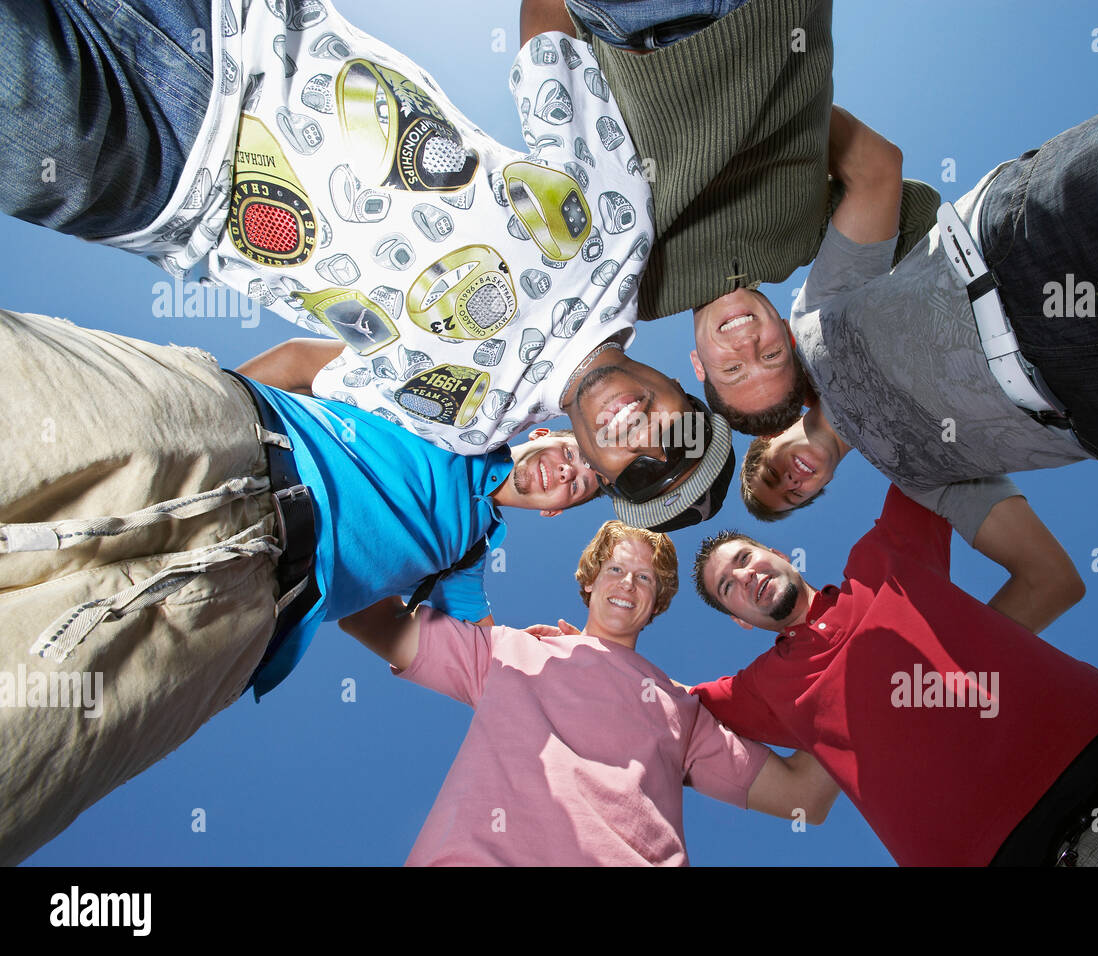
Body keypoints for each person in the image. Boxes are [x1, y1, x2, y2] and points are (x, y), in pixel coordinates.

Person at [0, 0, 734, 530]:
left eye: (638, 467)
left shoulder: (470, 423)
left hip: (153, 179)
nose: (641, 433)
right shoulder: (618, 239)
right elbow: (552, 33)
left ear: (602, 476)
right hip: (243, 25)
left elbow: (297, 364)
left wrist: (189, 434)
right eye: (673, 431)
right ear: (678, 384)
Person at [0, 307, 615, 866]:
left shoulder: (467, 559)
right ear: (544, 434)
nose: (567, 472)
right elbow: (300, 360)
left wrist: (551, 659)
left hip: (243, 599)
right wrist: (211, 414)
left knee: (40, 723)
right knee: (28, 415)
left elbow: (478, 658)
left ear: (557, 512)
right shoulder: (465, 407)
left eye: (581, 485)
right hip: (234, 440)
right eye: (575, 455)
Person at [695, 27, 1098, 538]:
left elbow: (875, 171)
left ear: (769, 440)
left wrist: (756, 107)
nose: (795, 481)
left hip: (1034, 254)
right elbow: (1049, 581)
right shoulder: (921, 481)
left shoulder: (813, 317)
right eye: (797, 497)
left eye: (775, 475)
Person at [689, 487, 1098, 866]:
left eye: (744, 557)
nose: (744, 576)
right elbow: (643, 707)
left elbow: (922, 451)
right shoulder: (761, 689)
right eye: (727, 587)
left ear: (777, 553)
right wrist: (594, 647)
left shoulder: (881, 561)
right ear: (740, 621)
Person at [340, 520, 840, 865]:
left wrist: (846, 660)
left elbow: (804, 798)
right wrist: (431, 525)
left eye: (645, 578)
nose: (628, 583)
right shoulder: (506, 651)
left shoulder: (682, 708)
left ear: (657, 603)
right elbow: (367, 615)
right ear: (590, 580)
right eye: (617, 569)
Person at [525, 0, 942, 322]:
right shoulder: (798, 243)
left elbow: (549, 86)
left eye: (733, 371)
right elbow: (908, 203)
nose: (748, 350)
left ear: (698, 364)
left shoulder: (631, 290)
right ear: (785, 332)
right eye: (773, 357)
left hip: (644, 22)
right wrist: (771, 108)